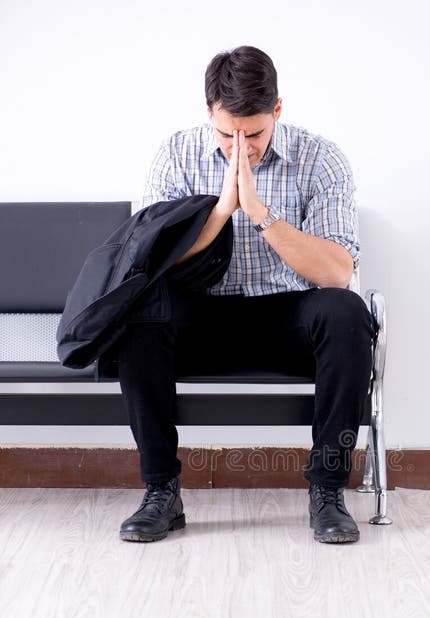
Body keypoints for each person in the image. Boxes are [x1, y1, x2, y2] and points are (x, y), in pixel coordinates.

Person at [117, 45, 374, 545]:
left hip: (288, 318)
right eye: (226, 133)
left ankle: (327, 491)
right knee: (141, 314)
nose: (242, 147)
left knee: (346, 312)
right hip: (201, 316)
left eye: (254, 134)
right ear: (208, 112)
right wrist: (221, 210)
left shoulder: (321, 159)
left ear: (277, 109)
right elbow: (149, 263)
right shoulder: (177, 154)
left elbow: (337, 271)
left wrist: (258, 212)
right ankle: (161, 491)